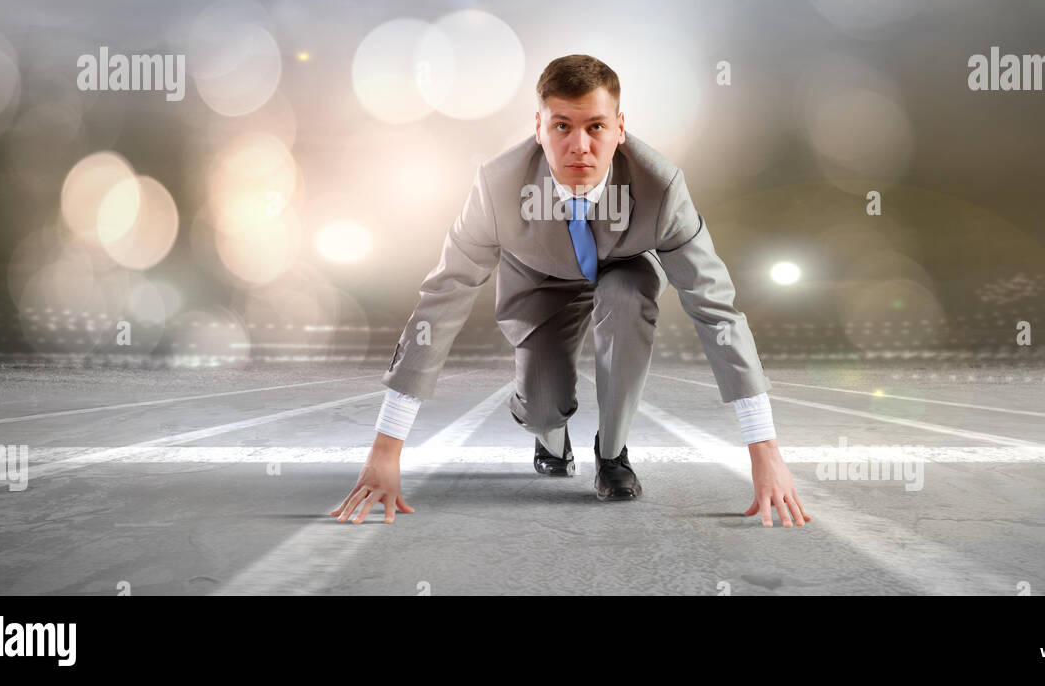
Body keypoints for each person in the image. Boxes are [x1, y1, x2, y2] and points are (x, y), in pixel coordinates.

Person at [331, 54, 810, 529]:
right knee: (543, 408)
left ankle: (611, 454)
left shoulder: (661, 188)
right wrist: (385, 449)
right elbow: (445, 295)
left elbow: (716, 309)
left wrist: (764, 450)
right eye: (562, 126)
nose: (580, 145)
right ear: (538, 128)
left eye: (596, 127)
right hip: (538, 282)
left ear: (620, 128)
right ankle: (550, 439)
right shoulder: (498, 186)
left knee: (627, 296)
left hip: (623, 271)